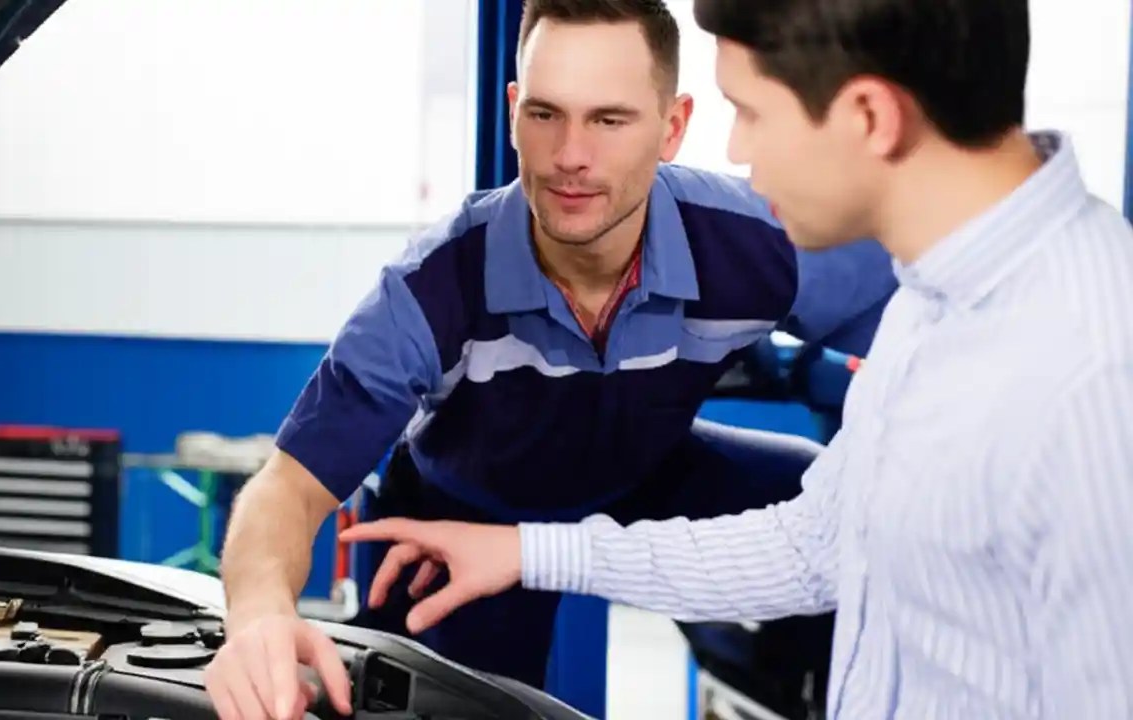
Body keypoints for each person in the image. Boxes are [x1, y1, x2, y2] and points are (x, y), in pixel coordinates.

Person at [341, 0, 1133, 718]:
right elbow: (817, 545)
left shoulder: (1094, 368)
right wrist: (526, 551)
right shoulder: (932, 300)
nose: (738, 150)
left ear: (868, 117)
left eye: (752, 113)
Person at [204, 1, 900, 718]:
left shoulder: (753, 241)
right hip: (466, 507)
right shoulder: (432, 287)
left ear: (673, 127)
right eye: (545, 114)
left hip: (646, 467)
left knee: (831, 503)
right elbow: (287, 488)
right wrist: (256, 618)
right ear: (513, 113)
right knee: (465, 704)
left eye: (609, 120)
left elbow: (933, 299)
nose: (571, 154)